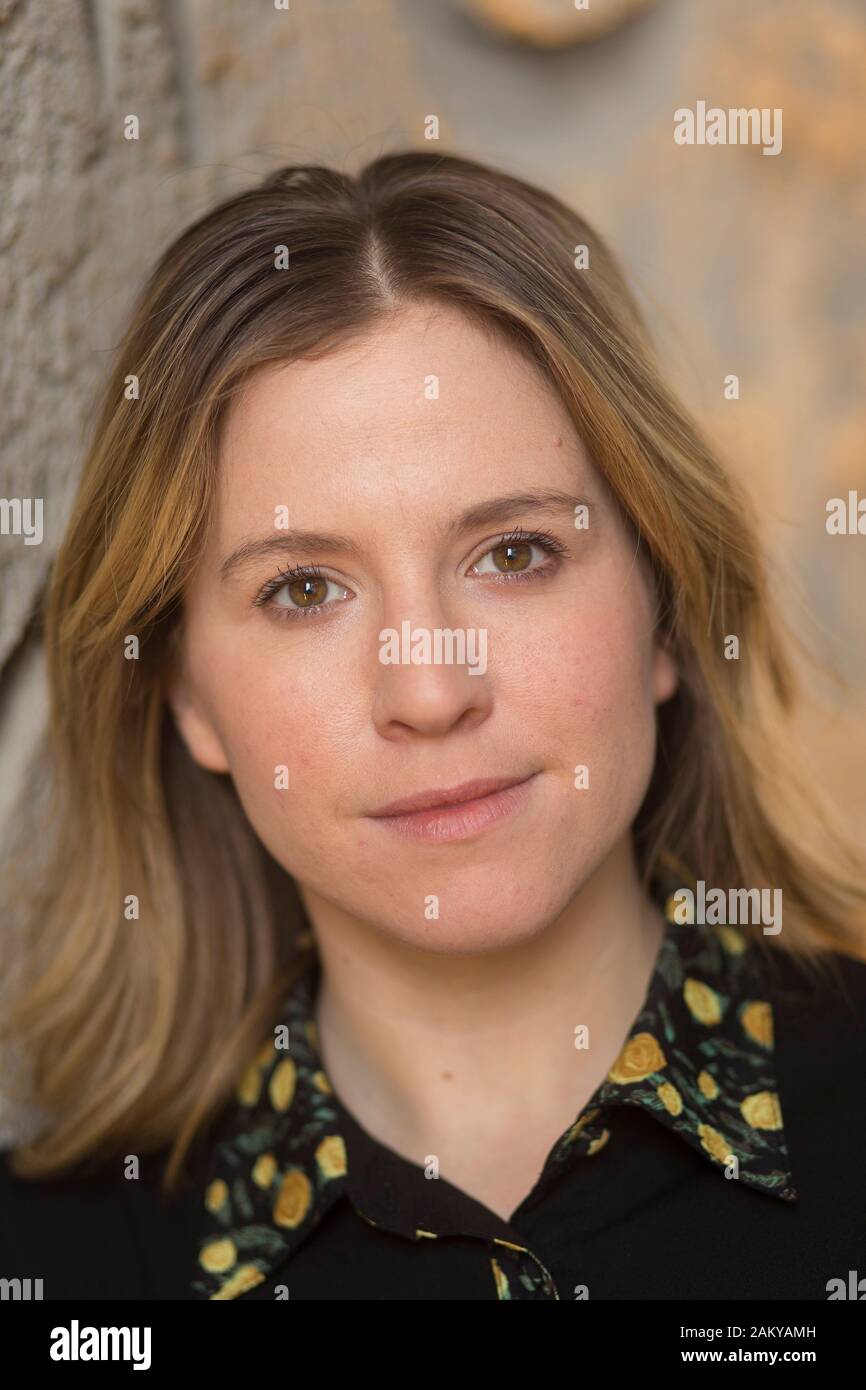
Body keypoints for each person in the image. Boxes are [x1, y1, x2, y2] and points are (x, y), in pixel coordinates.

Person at [1, 151, 864, 1302]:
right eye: (302, 588)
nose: (427, 691)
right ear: (186, 695)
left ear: (664, 611)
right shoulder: (53, 1274)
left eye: (515, 554)